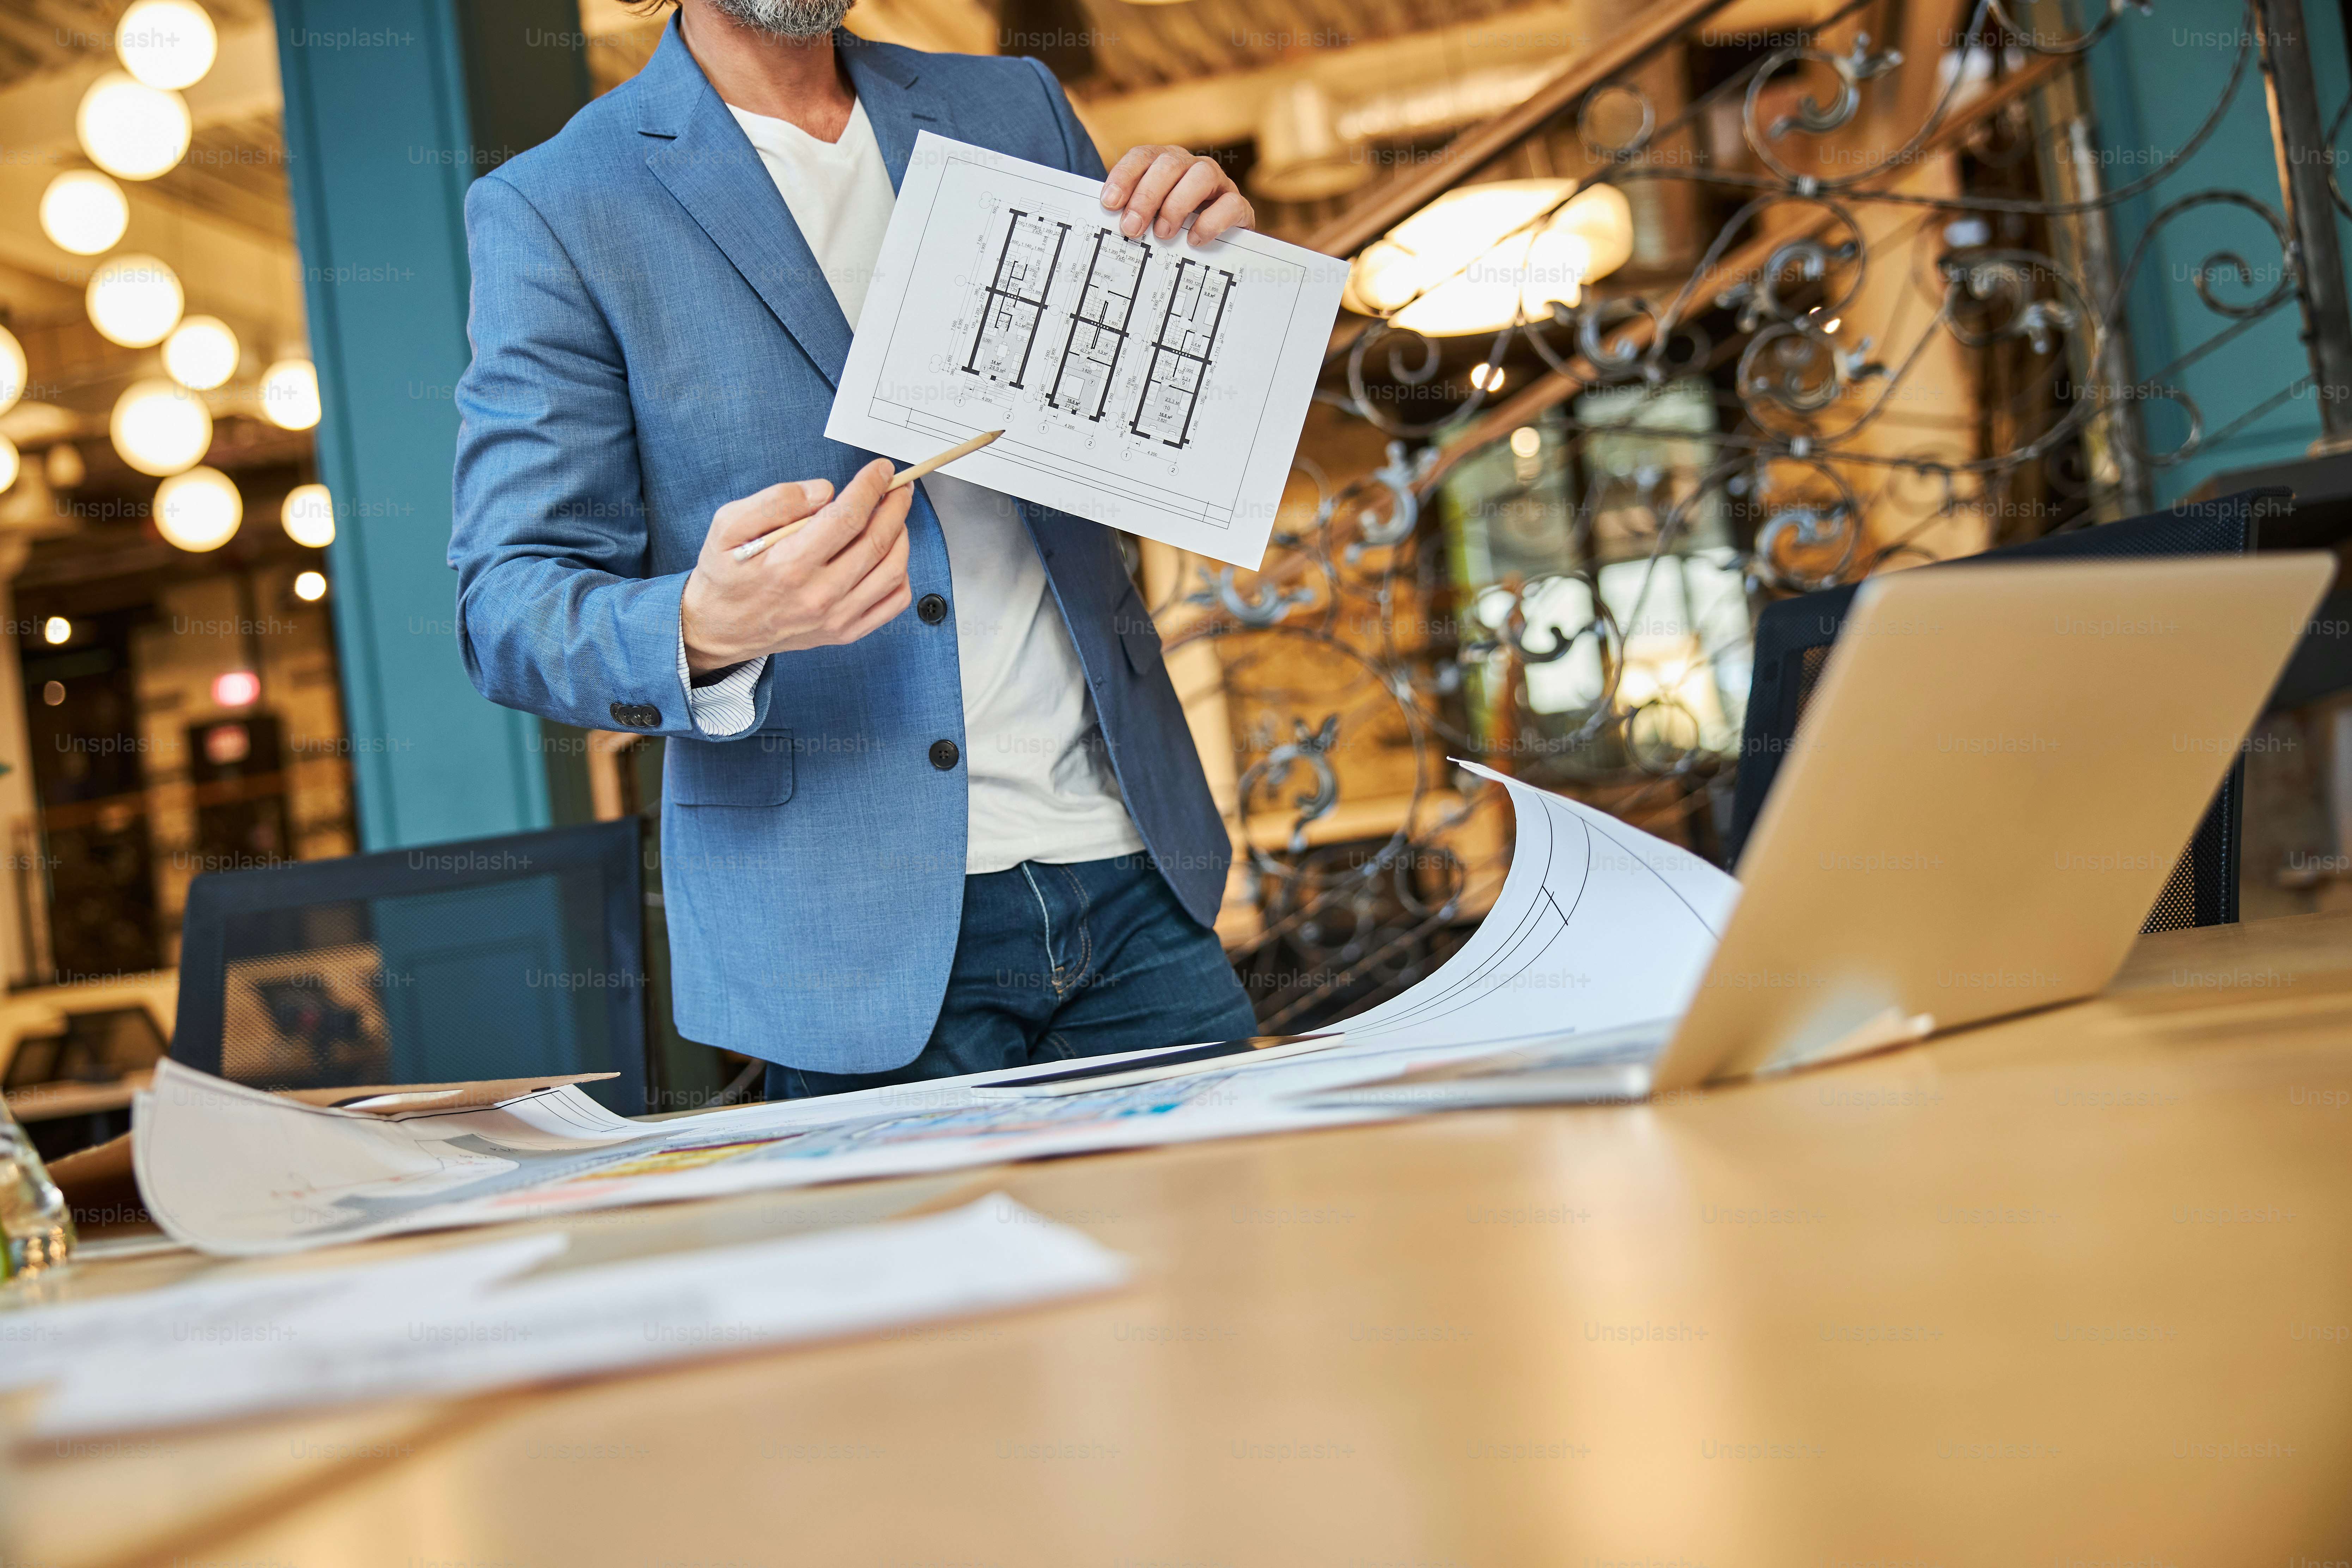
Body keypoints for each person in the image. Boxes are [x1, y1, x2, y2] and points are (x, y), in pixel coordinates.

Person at [449, 0, 1261, 1098]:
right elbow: (507, 608)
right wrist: (705, 625)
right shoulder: (558, 204)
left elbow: (1156, 425)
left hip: (1129, 869)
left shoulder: (1015, 107)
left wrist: (1212, 267)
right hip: (850, 937)